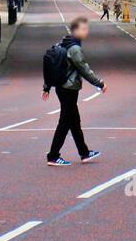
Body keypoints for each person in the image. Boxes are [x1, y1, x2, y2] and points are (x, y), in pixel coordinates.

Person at [42, 16, 105, 166]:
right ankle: (53, 156)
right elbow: (84, 69)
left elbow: (52, 65)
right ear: (75, 30)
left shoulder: (63, 43)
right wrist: (100, 83)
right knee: (65, 122)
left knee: (74, 121)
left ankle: (84, 153)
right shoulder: (75, 48)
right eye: (83, 29)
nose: (86, 31)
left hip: (62, 87)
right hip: (69, 88)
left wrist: (47, 87)